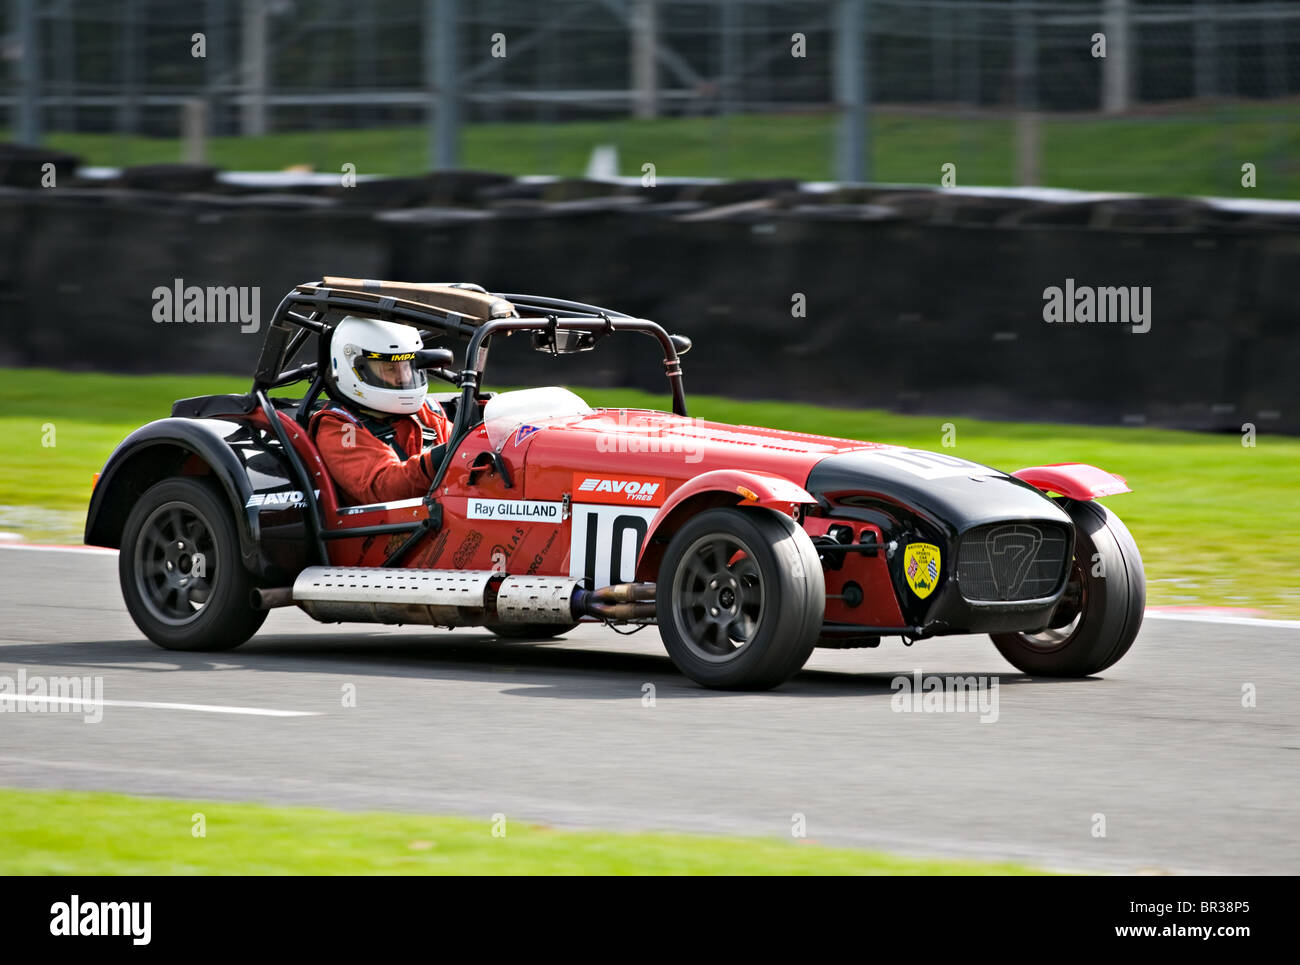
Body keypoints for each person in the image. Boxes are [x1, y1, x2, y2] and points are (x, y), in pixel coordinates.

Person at [310, 316, 452, 505]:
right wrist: (447, 454)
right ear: (355, 368)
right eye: (390, 369)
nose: (403, 379)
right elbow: (385, 489)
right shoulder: (340, 428)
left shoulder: (428, 411)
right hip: (387, 530)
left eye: (406, 367)